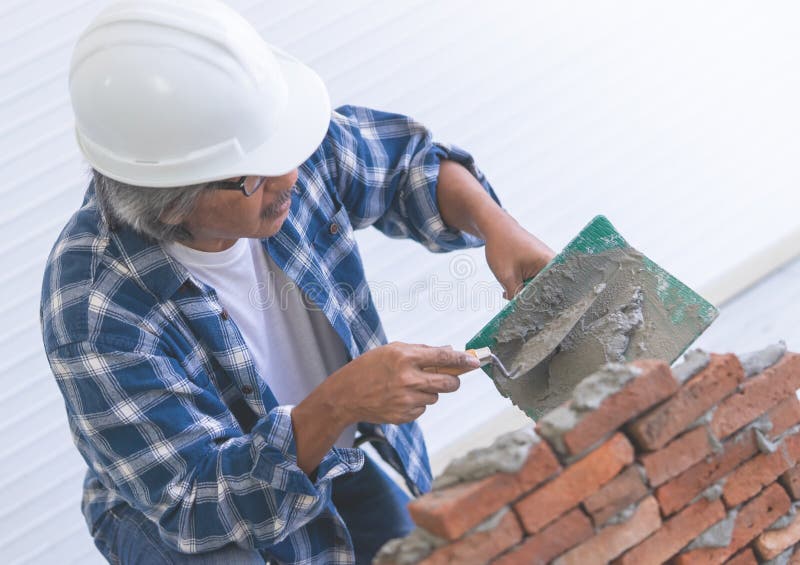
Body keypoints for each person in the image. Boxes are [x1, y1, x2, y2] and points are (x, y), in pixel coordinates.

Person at [40, 1, 554, 563]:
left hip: (319, 450)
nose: (291, 173)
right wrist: (337, 402)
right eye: (258, 174)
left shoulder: (265, 151)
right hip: (186, 513)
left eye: (283, 147)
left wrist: (496, 225)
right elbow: (194, 501)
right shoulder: (96, 312)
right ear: (172, 207)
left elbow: (408, 165)